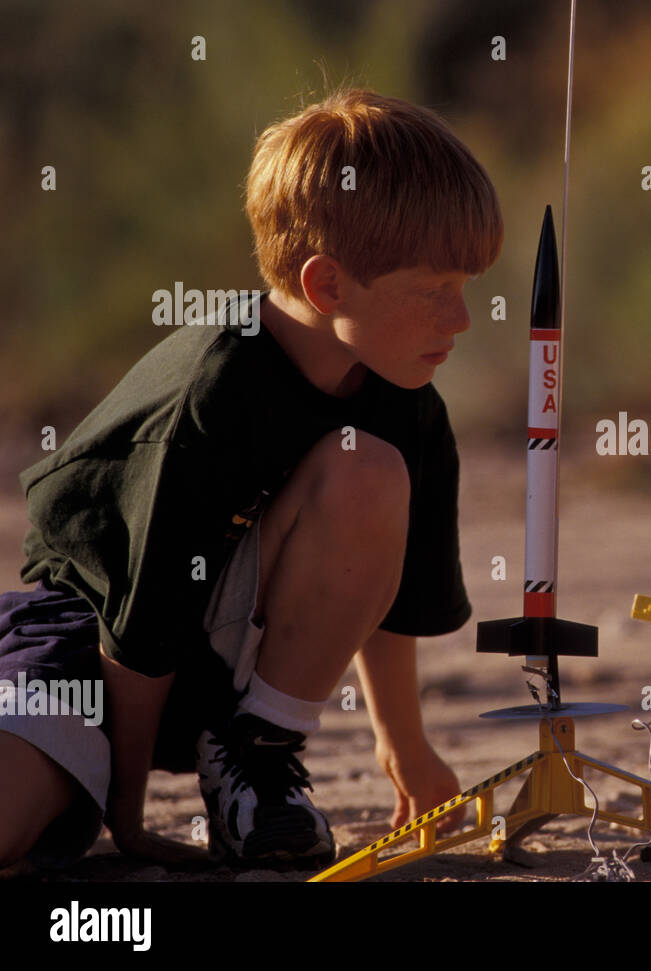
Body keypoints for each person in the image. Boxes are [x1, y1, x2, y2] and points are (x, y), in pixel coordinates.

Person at [0, 89, 501, 872]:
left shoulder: (408, 406)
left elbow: (393, 601)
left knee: (368, 470)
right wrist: (125, 815)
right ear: (328, 285)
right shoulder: (217, 389)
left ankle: (255, 758)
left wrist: (405, 749)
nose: (462, 319)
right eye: (433, 290)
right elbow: (139, 622)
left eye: (466, 287)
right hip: (89, 652)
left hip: (216, 673)